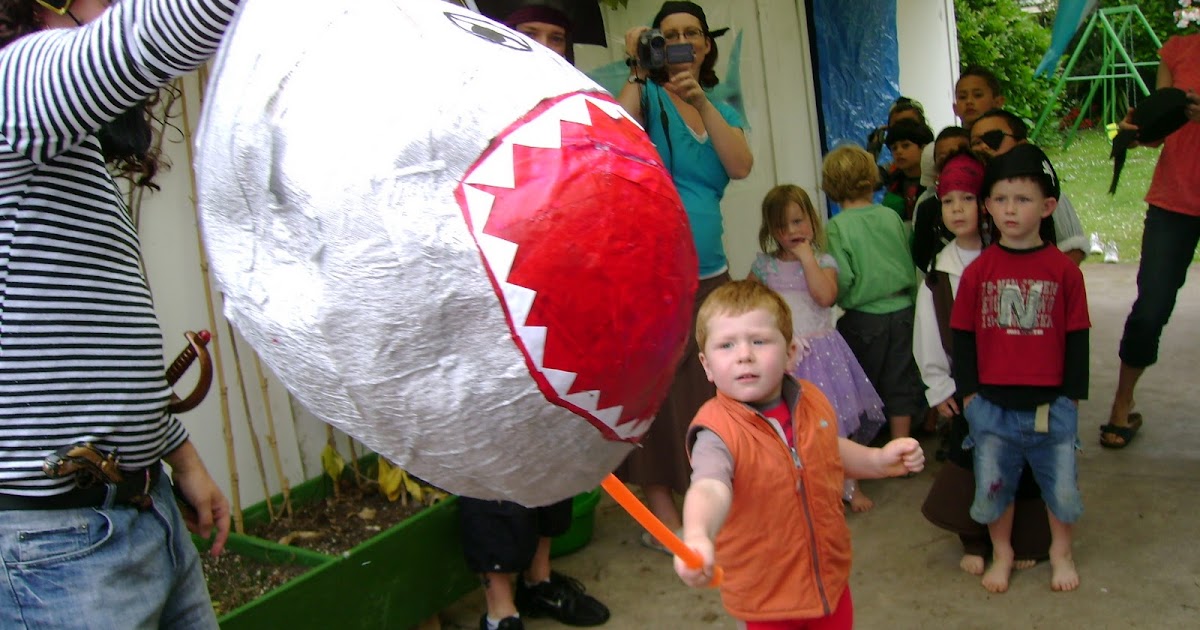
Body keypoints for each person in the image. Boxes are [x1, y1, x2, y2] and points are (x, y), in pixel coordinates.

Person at [0, 1, 238, 627]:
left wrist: (178, 456)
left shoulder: (63, 150)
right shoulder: (7, 87)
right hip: (53, 546)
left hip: (138, 506)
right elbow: (140, 38)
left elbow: (93, 344)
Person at [457, 5, 610, 629]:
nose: (545, 46)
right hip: (486, 303)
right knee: (494, 453)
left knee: (556, 439)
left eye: (556, 37)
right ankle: (501, 606)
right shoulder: (466, 107)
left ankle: (542, 577)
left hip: (560, 301)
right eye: (531, 34)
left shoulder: (576, 109)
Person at [673, 280, 924, 628]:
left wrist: (876, 461)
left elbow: (827, 449)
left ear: (791, 352)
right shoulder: (716, 431)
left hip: (829, 582)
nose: (744, 354)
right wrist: (699, 533)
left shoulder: (811, 399)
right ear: (707, 365)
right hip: (768, 598)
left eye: (759, 341)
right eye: (726, 345)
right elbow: (710, 486)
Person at [614, 0, 753, 551]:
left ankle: (711, 493)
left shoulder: (721, 104)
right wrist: (637, 73)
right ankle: (661, 506)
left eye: (690, 33)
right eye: (668, 34)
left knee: (712, 387)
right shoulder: (643, 95)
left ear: (706, 44)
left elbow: (740, 165)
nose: (681, 42)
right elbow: (618, 134)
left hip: (711, 270)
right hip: (654, 274)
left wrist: (700, 100)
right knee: (658, 392)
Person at [950, 143, 1089, 594]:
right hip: (991, 407)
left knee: (1062, 490)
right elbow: (964, 336)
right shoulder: (978, 272)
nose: (1011, 210)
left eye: (1024, 199)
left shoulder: (1064, 271)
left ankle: (1060, 551)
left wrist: (1071, 394)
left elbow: (1077, 335)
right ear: (987, 205)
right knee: (993, 488)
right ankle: (1002, 551)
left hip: (1053, 405)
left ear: (1048, 207)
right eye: (1001, 199)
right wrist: (969, 393)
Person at [915, 151, 1052, 577]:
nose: (957, 209)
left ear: (987, 204)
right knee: (972, 460)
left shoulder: (1013, 256)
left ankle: (1025, 538)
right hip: (968, 387)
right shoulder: (940, 273)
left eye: (968, 198)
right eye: (948, 200)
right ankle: (973, 538)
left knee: (1026, 460)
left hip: (1018, 383)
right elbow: (928, 336)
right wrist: (939, 388)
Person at [749, 185, 887, 512]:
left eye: (798, 221)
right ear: (771, 231)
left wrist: (807, 258)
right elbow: (749, 303)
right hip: (785, 360)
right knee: (793, 426)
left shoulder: (823, 261)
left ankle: (849, 484)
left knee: (834, 421)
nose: (792, 231)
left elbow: (825, 297)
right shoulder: (764, 267)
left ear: (812, 219)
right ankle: (804, 488)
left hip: (824, 357)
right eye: (782, 227)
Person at [1102, 31, 1200, 449]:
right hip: (1173, 200)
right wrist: (1134, 130)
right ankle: (1122, 404)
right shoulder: (1177, 49)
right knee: (1150, 309)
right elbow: (1159, 128)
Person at [824, 145, 924, 442]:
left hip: (864, 317)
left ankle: (865, 448)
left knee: (861, 381)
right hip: (903, 309)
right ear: (871, 177)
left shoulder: (837, 227)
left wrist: (837, 299)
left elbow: (842, 277)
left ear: (831, 185)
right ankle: (903, 446)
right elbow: (908, 263)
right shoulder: (891, 216)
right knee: (901, 378)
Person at [969, 108, 1087, 263]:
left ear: (1021, 144)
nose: (983, 147)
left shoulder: (1045, 193)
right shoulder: (966, 195)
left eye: (993, 138)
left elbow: (1073, 250)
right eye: (976, 143)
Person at [912, 126, 972, 273]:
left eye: (958, 154)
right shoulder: (927, 208)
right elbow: (922, 258)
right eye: (943, 157)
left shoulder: (987, 202)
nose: (951, 162)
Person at [881, 118, 935, 222]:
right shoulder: (894, 182)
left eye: (905, 145)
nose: (899, 152)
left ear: (924, 148)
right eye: (894, 148)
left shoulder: (934, 182)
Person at [953, 66, 1005, 130]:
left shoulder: (1011, 138)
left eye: (978, 95)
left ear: (998, 102)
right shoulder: (949, 139)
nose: (969, 101)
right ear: (955, 109)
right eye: (962, 97)